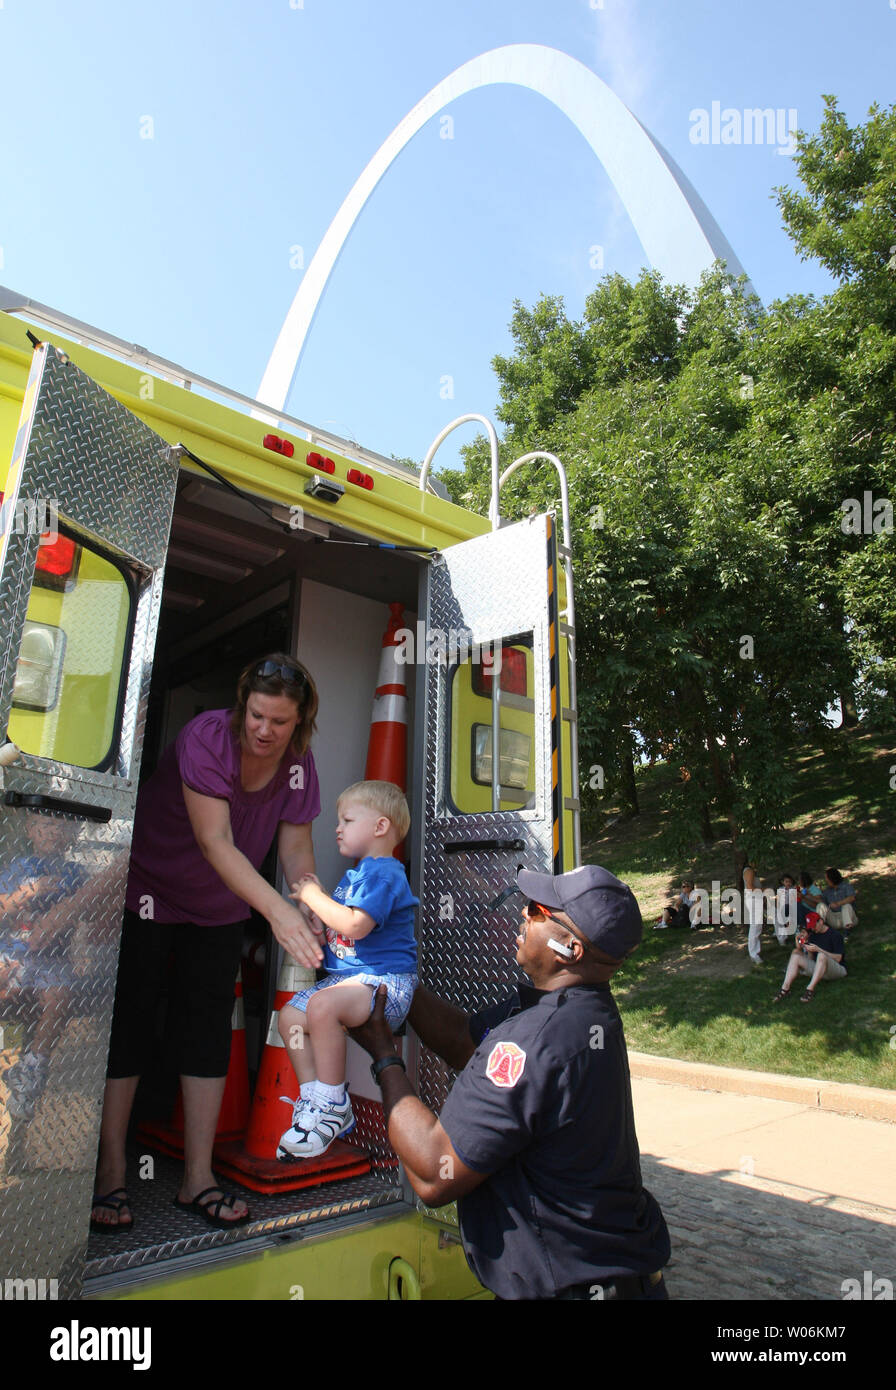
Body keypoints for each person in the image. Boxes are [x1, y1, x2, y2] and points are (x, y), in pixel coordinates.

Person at [350, 863, 671, 1301]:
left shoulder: (531, 1043)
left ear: (570, 947)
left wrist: (383, 1055)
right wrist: (399, 982)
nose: (523, 914)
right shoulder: (584, 1011)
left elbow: (432, 1173)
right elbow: (465, 1041)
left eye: (537, 910)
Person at [91, 653, 324, 1233]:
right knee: (132, 1024)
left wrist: (313, 906)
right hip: (150, 889)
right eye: (257, 716)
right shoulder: (206, 737)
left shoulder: (298, 764)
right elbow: (216, 841)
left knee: (205, 1035)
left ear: (300, 722)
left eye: (280, 722)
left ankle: (197, 1179)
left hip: (220, 907)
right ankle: (111, 1174)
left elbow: (296, 854)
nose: (264, 731)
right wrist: (274, 910)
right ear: (242, 705)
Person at [276, 780, 418, 1160]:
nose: (338, 827)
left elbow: (356, 925)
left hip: (384, 984)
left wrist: (312, 896)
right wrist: (321, 925)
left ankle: (332, 1101)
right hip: (348, 981)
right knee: (288, 1017)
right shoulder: (356, 875)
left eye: (348, 820)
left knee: (322, 1008)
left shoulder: (385, 874)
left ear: (380, 827)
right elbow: (343, 928)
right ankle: (316, 1102)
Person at [0, 813, 87, 1120]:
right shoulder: (20, 867)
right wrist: (32, 891)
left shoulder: (75, 872)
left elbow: (88, 913)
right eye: (47, 825)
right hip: (15, 949)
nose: (55, 832)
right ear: (31, 829)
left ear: (73, 832)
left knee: (60, 996)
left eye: (63, 826)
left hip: (52, 959)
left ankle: (32, 1068)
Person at [772, 910, 847, 1004]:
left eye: (814, 926)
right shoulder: (813, 936)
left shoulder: (835, 935)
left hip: (837, 970)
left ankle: (810, 989)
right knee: (795, 955)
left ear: (821, 921)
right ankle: (785, 989)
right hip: (820, 969)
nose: (813, 929)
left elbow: (838, 958)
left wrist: (818, 950)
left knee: (821, 956)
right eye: (811, 927)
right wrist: (804, 946)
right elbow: (811, 958)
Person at [815, 868, 858, 933]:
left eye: (827, 878)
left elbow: (852, 898)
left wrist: (838, 904)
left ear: (832, 878)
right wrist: (806, 896)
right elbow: (822, 903)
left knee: (846, 906)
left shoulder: (846, 886)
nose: (826, 880)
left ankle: (847, 929)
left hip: (849, 917)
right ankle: (819, 927)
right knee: (820, 905)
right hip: (835, 919)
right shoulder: (828, 891)